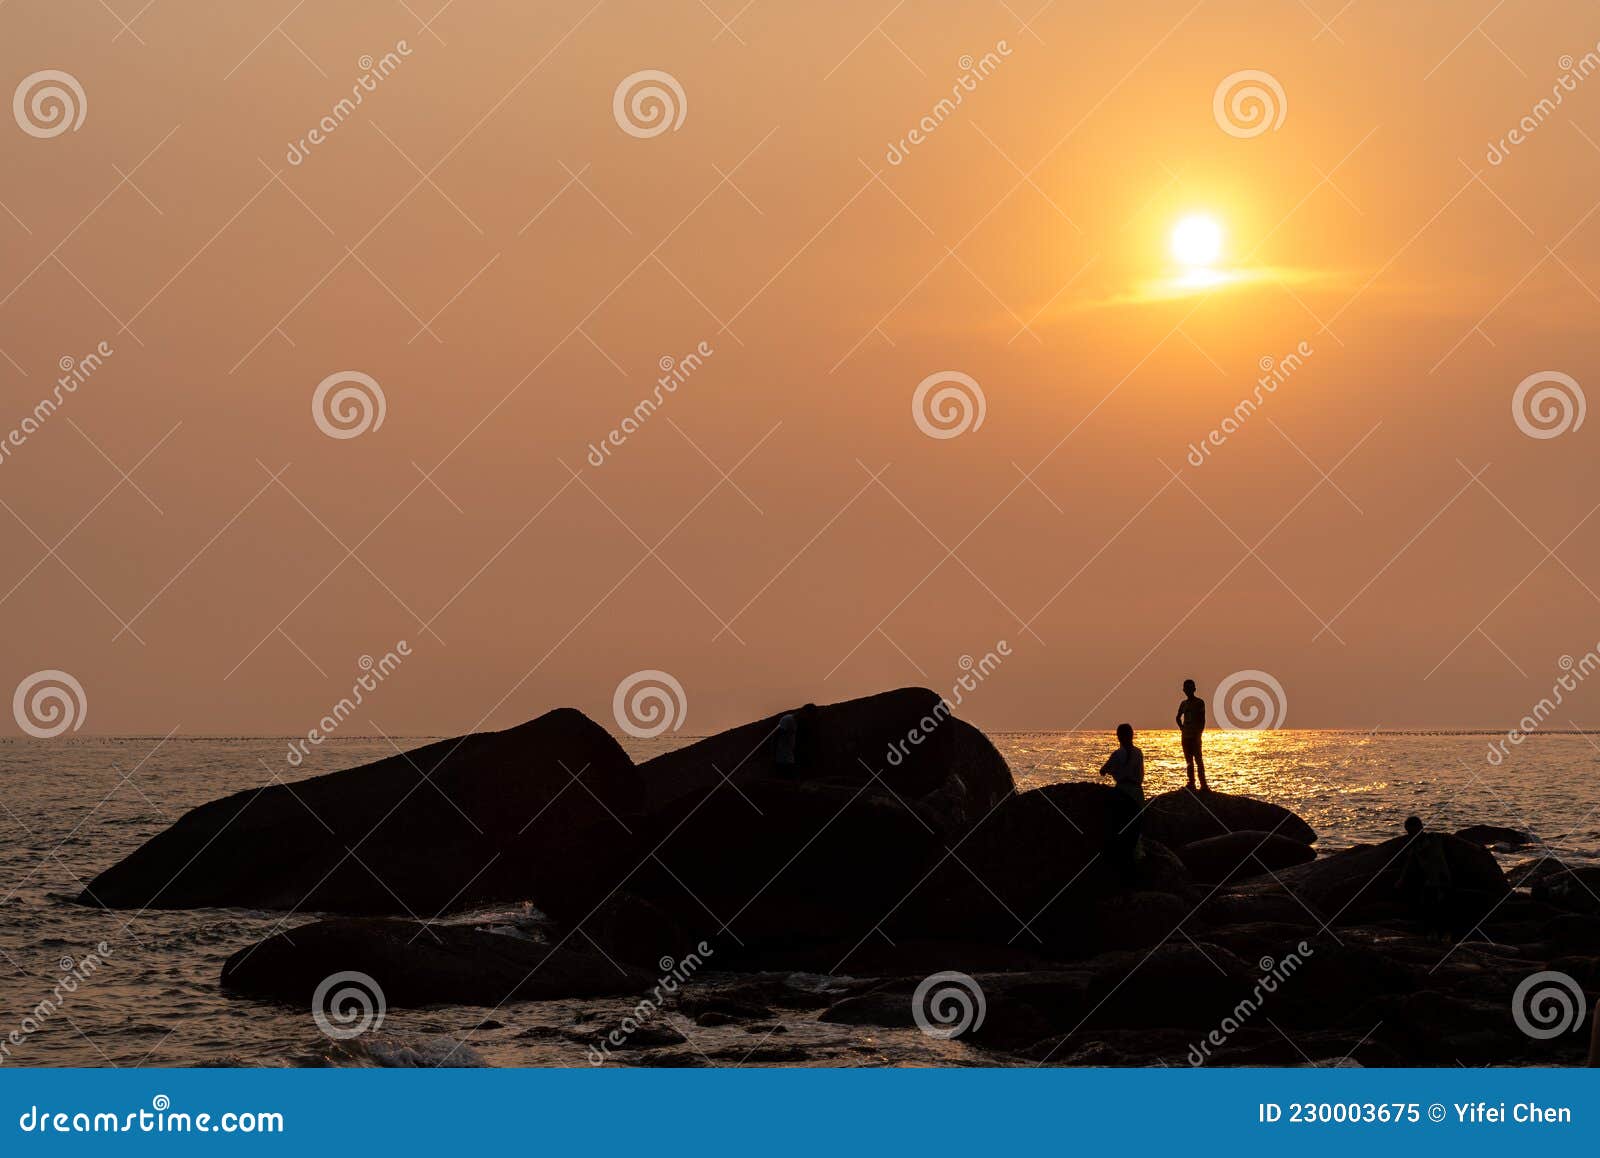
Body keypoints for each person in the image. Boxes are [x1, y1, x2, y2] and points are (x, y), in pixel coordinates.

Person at [1098, 723, 1145, 872]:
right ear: (1132, 735)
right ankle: (1138, 857)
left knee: (1121, 826)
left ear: (1119, 737)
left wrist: (1113, 771)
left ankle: (1124, 860)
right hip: (1137, 792)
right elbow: (1141, 774)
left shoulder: (1117, 754)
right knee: (1136, 827)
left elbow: (1103, 770)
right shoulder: (1139, 752)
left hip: (1123, 791)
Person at [1396, 815, 1452, 939]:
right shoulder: (1415, 846)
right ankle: (1433, 932)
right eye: (1409, 832)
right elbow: (1409, 863)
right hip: (1429, 880)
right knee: (1429, 906)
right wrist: (1401, 879)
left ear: (1420, 828)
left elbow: (1450, 839)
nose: (1410, 834)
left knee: (1439, 905)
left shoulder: (1433, 838)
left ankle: (1442, 933)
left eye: (1412, 831)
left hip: (1440, 878)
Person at [1175, 678, 1209, 791]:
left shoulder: (1199, 702)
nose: (1188, 690)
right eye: (1186, 688)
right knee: (1189, 761)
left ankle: (1203, 784)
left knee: (1198, 760)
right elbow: (1178, 717)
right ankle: (1191, 783)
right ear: (1184, 690)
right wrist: (1182, 728)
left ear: (1194, 689)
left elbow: (1202, 720)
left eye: (1190, 688)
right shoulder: (1183, 704)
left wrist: (1199, 733)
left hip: (1195, 737)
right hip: (1185, 737)